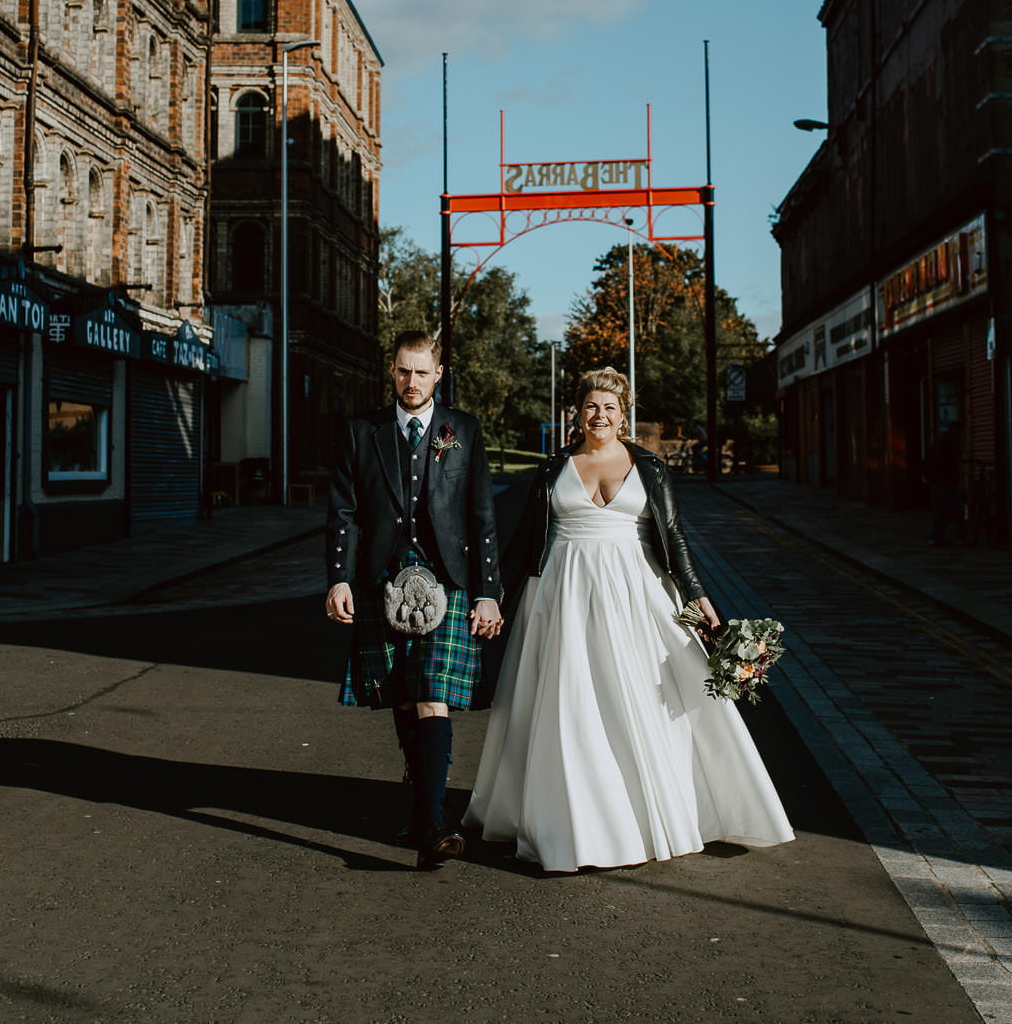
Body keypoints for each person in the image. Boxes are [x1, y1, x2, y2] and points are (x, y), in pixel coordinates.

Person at [467, 367, 793, 872]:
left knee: (641, 699)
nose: (600, 416)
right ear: (578, 413)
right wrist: (492, 596)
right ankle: (574, 822)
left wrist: (698, 594)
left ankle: (650, 814)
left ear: (625, 414)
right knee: (568, 703)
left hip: (635, 592)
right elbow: (523, 543)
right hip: (562, 593)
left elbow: (675, 536)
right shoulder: (553, 469)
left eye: (610, 408)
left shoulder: (651, 467)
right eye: (592, 407)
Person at [324, 331, 503, 870]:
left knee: (431, 695)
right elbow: (344, 514)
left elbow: (483, 519)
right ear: (391, 371)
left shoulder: (463, 431)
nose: (411, 381)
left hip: (447, 580)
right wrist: (339, 579)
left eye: (421, 372)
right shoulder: (362, 432)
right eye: (403, 371)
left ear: (438, 374)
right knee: (402, 696)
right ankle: (425, 807)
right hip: (382, 577)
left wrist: (488, 592)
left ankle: (432, 822)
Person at [925, 418, 964, 546]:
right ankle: (958, 536)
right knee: (952, 509)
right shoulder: (947, 444)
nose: (959, 435)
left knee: (941, 510)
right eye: (958, 432)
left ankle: (937, 537)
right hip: (944, 481)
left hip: (940, 481)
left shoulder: (941, 442)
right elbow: (945, 464)